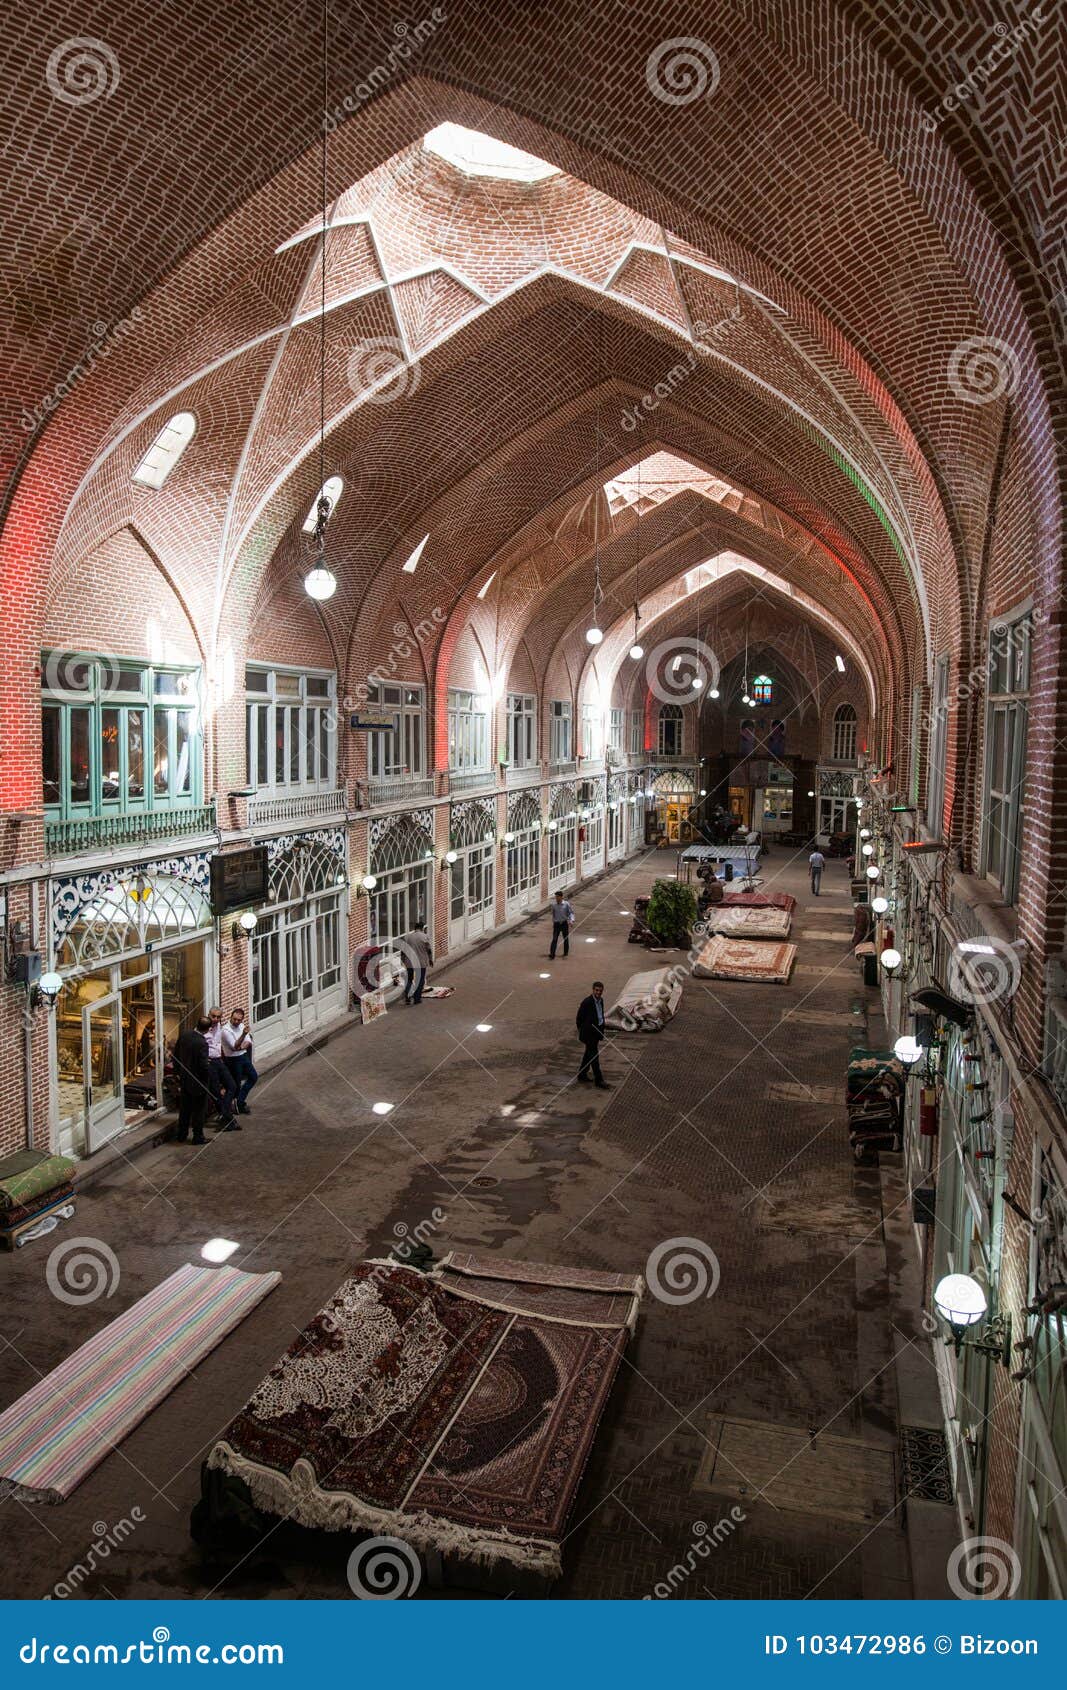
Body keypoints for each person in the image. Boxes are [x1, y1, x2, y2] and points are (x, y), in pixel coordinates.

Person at [173, 1018, 212, 1145]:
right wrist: (208, 1078)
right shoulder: (202, 1043)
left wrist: (177, 1073)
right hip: (198, 1083)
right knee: (198, 1111)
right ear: (207, 1030)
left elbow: (176, 1055)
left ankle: (181, 1134)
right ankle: (198, 1136)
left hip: (184, 1080)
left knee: (184, 1109)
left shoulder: (185, 1035)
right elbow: (203, 1066)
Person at [205, 1006, 240, 1128]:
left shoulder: (220, 1027)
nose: (215, 1019)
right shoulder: (203, 1028)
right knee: (215, 1092)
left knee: (232, 1086)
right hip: (209, 1063)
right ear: (209, 1015)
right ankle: (228, 1119)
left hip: (219, 1061)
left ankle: (225, 1115)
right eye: (213, 1016)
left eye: (218, 1017)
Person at [575, 981, 611, 1089]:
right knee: (594, 1057)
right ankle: (599, 1080)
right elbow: (579, 1018)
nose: (598, 992)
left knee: (588, 1055)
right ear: (593, 990)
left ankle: (582, 1074)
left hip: (597, 1032)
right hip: (589, 1034)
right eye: (596, 990)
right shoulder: (587, 1002)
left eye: (600, 991)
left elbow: (600, 1015)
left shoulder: (601, 1001)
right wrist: (583, 1030)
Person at [222, 1007, 257, 1114]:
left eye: (239, 1020)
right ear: (231, 1017)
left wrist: (241, 1046)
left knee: (253, 1077)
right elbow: (234, 1046)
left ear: (242, 1020)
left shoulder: (242, 1026)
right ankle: (237, 1105)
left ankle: (239, 1101)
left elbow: (248, 1042)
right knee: (236, 1084)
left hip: (243, 1056)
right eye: (234, 1019)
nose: (236, 1022)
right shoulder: (226, 1030)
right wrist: (243, 1036)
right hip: (233, 1059)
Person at [401, 922, 433, 1005]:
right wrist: (430, 960)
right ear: (422, 928)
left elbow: (403, 951)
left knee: (409, 980)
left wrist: (403, 960)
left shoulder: (407, 937)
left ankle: (407, 998)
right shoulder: (425, 937)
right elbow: (429, 950)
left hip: (409, 962)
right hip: (421, 962)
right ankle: (417, 999)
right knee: (420, 980)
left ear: (414, 928)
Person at [549, 891, 575, 959]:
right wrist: (554, 921)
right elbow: (553, 914)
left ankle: (565, 953)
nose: (556, 898)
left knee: (565, 939)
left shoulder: (566, 904)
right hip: (557, 924)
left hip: (564, 924)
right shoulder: (554, 905)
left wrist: (571, 921)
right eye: (556, 897)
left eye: (557, 897)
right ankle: (552, 954)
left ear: (561, 897)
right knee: (554, 939)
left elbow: (571, 913)